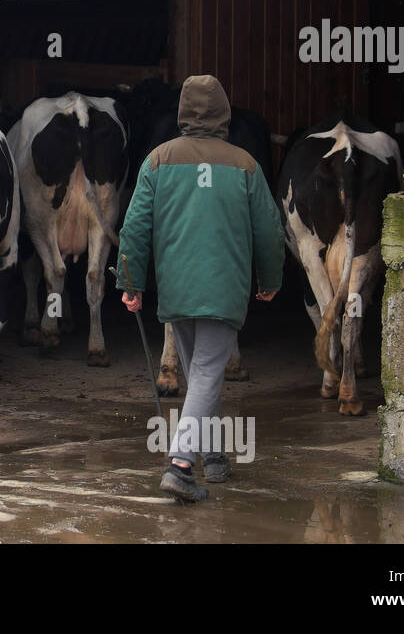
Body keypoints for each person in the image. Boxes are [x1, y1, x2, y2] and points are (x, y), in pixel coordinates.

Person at [116, 74, 283, 502]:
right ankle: (181, 466)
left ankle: (214, 457)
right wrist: (270, 279)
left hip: (176, 289)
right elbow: (268, 231)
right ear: (224, 111)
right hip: (224, 289)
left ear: (183, 112)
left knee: (200, 376)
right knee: (207, 373)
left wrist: (131, 283)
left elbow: (134, 226)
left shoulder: (157, 160)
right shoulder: (245, 164)